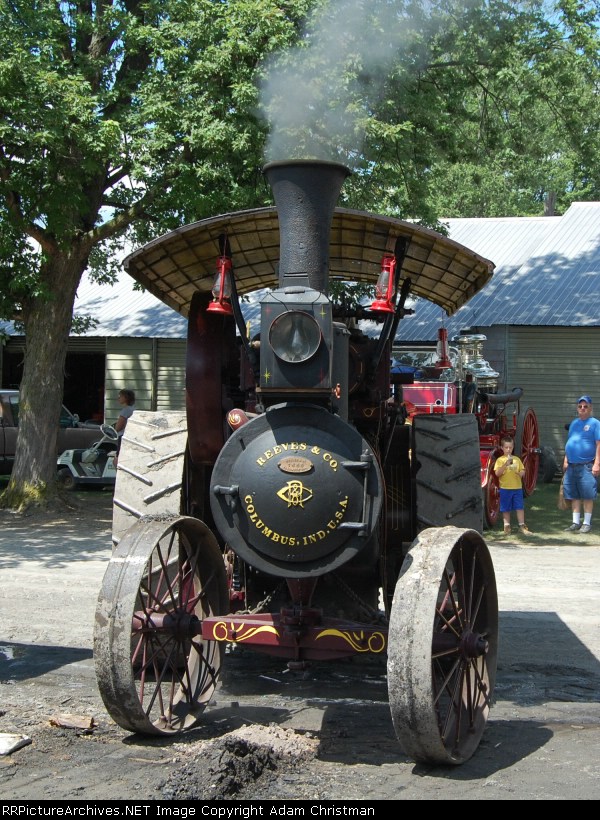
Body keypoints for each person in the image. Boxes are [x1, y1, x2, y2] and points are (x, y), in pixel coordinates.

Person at [562, 395, 600, 533]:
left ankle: (586, 523)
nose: (582, 408)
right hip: (572, 465)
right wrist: (565, 459)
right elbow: (570, 442)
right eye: (580, 406)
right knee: (574, 495)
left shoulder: (595, 423)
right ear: (577, 408)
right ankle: (575, 522)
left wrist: (597, 463)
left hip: (587, 465)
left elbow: (598, 444)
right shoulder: (574, 423)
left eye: (585, 406)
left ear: (590, 408)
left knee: (588, 495)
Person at [494, 434, 532, 535]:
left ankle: (522, 526)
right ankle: (507, 527)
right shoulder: (500, 460)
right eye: (506, 447)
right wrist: (505, 465)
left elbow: (523, 470)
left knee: (519, 507)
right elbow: (497, 473)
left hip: (517, 488)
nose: (508, 450)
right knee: (505, 508)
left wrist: (521, 473)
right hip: (505, 488)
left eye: (510, 447)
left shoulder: (517, 459)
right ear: (502, 448)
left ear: (513, 447)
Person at [113, 388, 136, 467]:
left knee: (117, 459)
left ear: (126, 398)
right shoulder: (133, 409)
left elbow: (118, 427)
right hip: (130, 437)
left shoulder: (125, 410)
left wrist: (115, 428)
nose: (118, 398)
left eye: (120, 396)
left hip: (122, 436)